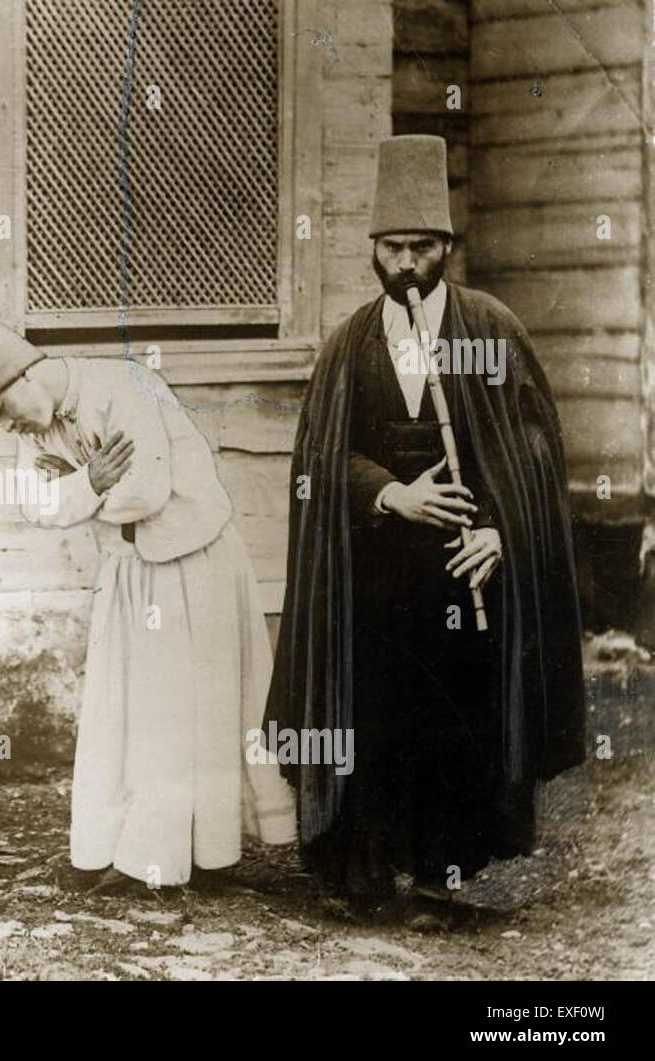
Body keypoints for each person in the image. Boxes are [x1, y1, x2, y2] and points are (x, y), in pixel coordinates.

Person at [264, 135, 585, 928]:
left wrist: (503, 532)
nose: (405, 264)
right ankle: (368, 862)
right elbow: (320, 462)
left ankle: (443, 878)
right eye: (392, 248)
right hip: (373, 574)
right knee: (373, 711)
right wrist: (389, 495)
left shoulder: (490, 329)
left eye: (421, 247)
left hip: (462, 571)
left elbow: (537, 453)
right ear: (373, 250)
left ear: (446, 248)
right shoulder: (349, 344)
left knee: (453, 718)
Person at [0, 297, 295, 891]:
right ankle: (134, 850)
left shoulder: (128, 385)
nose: (8, 426)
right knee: (130, 715)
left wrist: (81, 492)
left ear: (25, 373)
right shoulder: (35, 423)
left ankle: (206, 853)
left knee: (192, 711)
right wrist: (92, 480)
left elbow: (148, 489)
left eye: (2, 409)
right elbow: (37, 508)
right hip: (129, 569)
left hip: (193, 557)